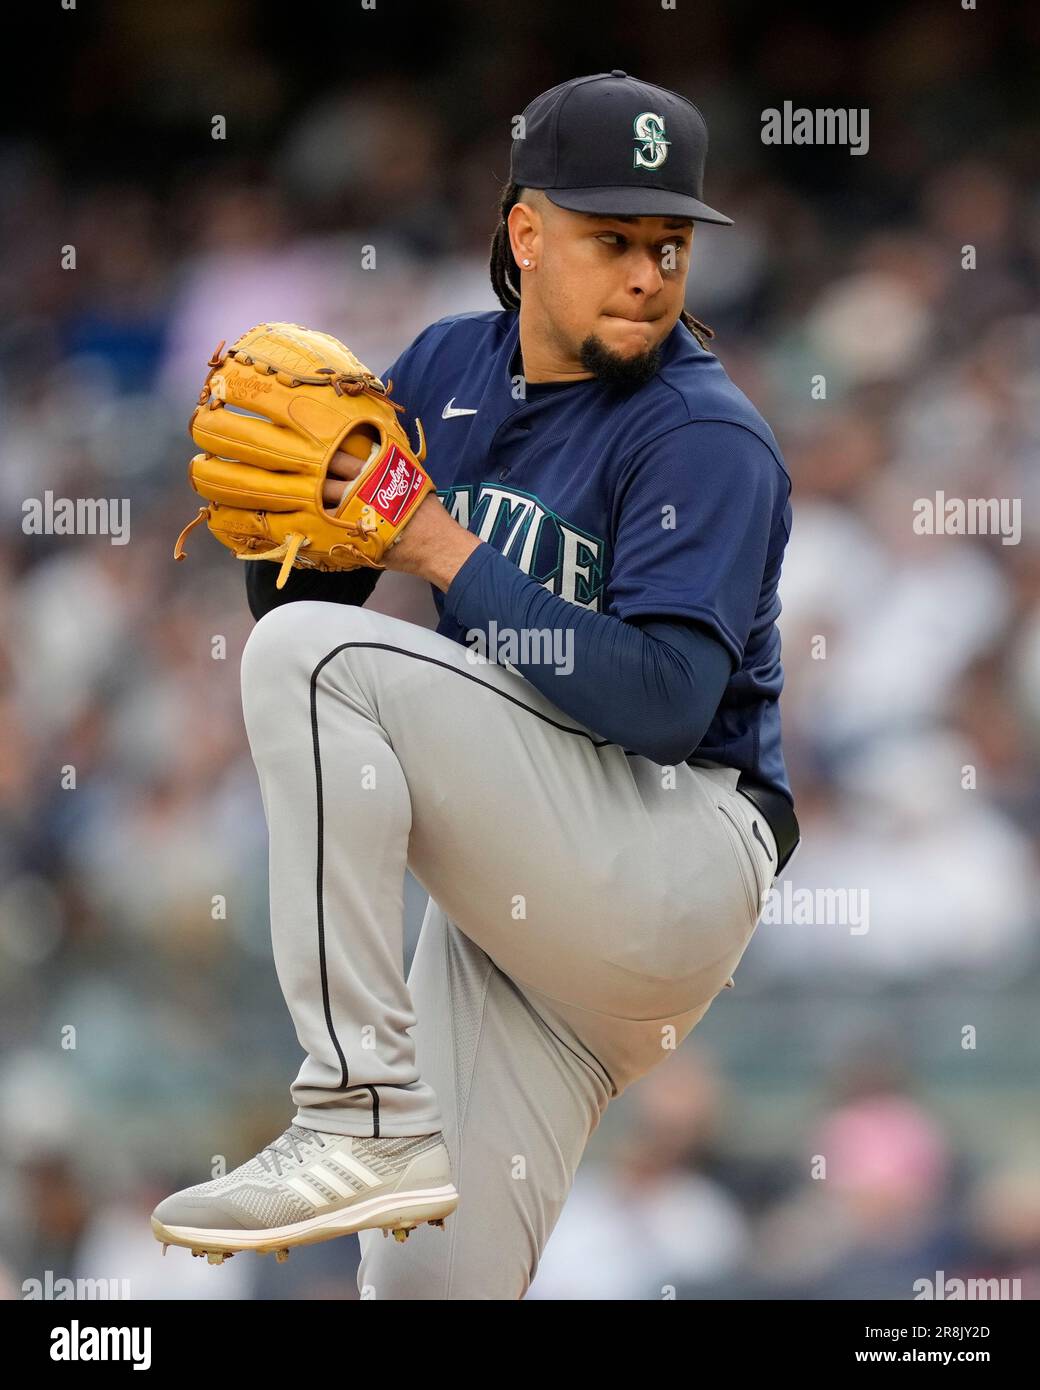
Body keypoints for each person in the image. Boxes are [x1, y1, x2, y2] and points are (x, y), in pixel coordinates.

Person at [151, 69, 799, 1300]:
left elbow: (666, 701)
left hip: (670, 849)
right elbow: (308, 616)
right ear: (524, 232)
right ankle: (377, 1127)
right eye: (613, 238)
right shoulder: (446, 367)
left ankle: (354, 1108)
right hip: (526, 908)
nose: (647, 273)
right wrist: (276, 521)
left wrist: (439, 545)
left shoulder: (701, 436)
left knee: (304, 669)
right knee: (422, 1289)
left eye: (669, 244)